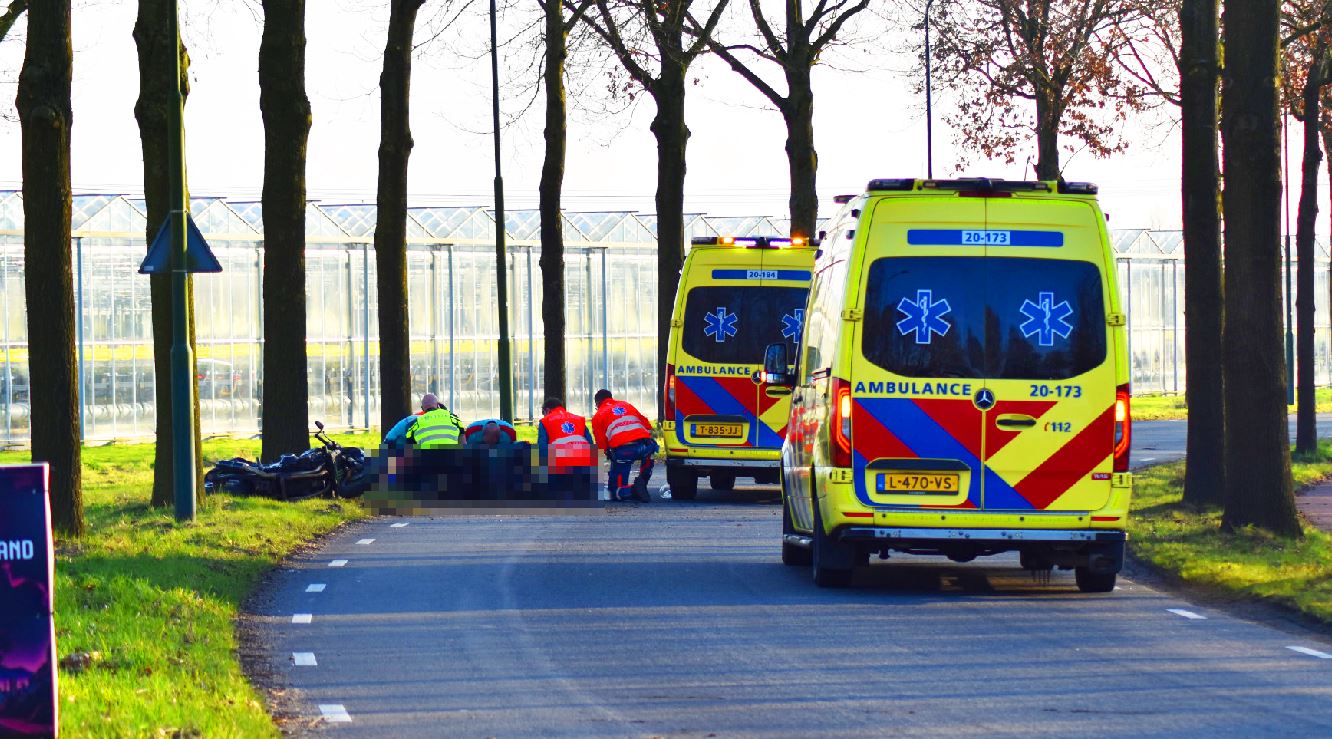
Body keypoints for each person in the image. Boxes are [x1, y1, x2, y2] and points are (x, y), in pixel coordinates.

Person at [590, 389, 656, 502]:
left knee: (616, 492)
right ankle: (642, 481)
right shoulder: (626, 405)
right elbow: (647, 424)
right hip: (645, 446)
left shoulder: (598, 415)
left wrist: (608, 453)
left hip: (624, 450)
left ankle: (632, 490)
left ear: (597, 403)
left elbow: (601, 443)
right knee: (651, 453)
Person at [539, 397, 596, 500]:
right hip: (584, 463)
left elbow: (542, 448)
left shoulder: (545, 421)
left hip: (561, 465)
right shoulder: (579, 419)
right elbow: (590, 443)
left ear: (547, 410)